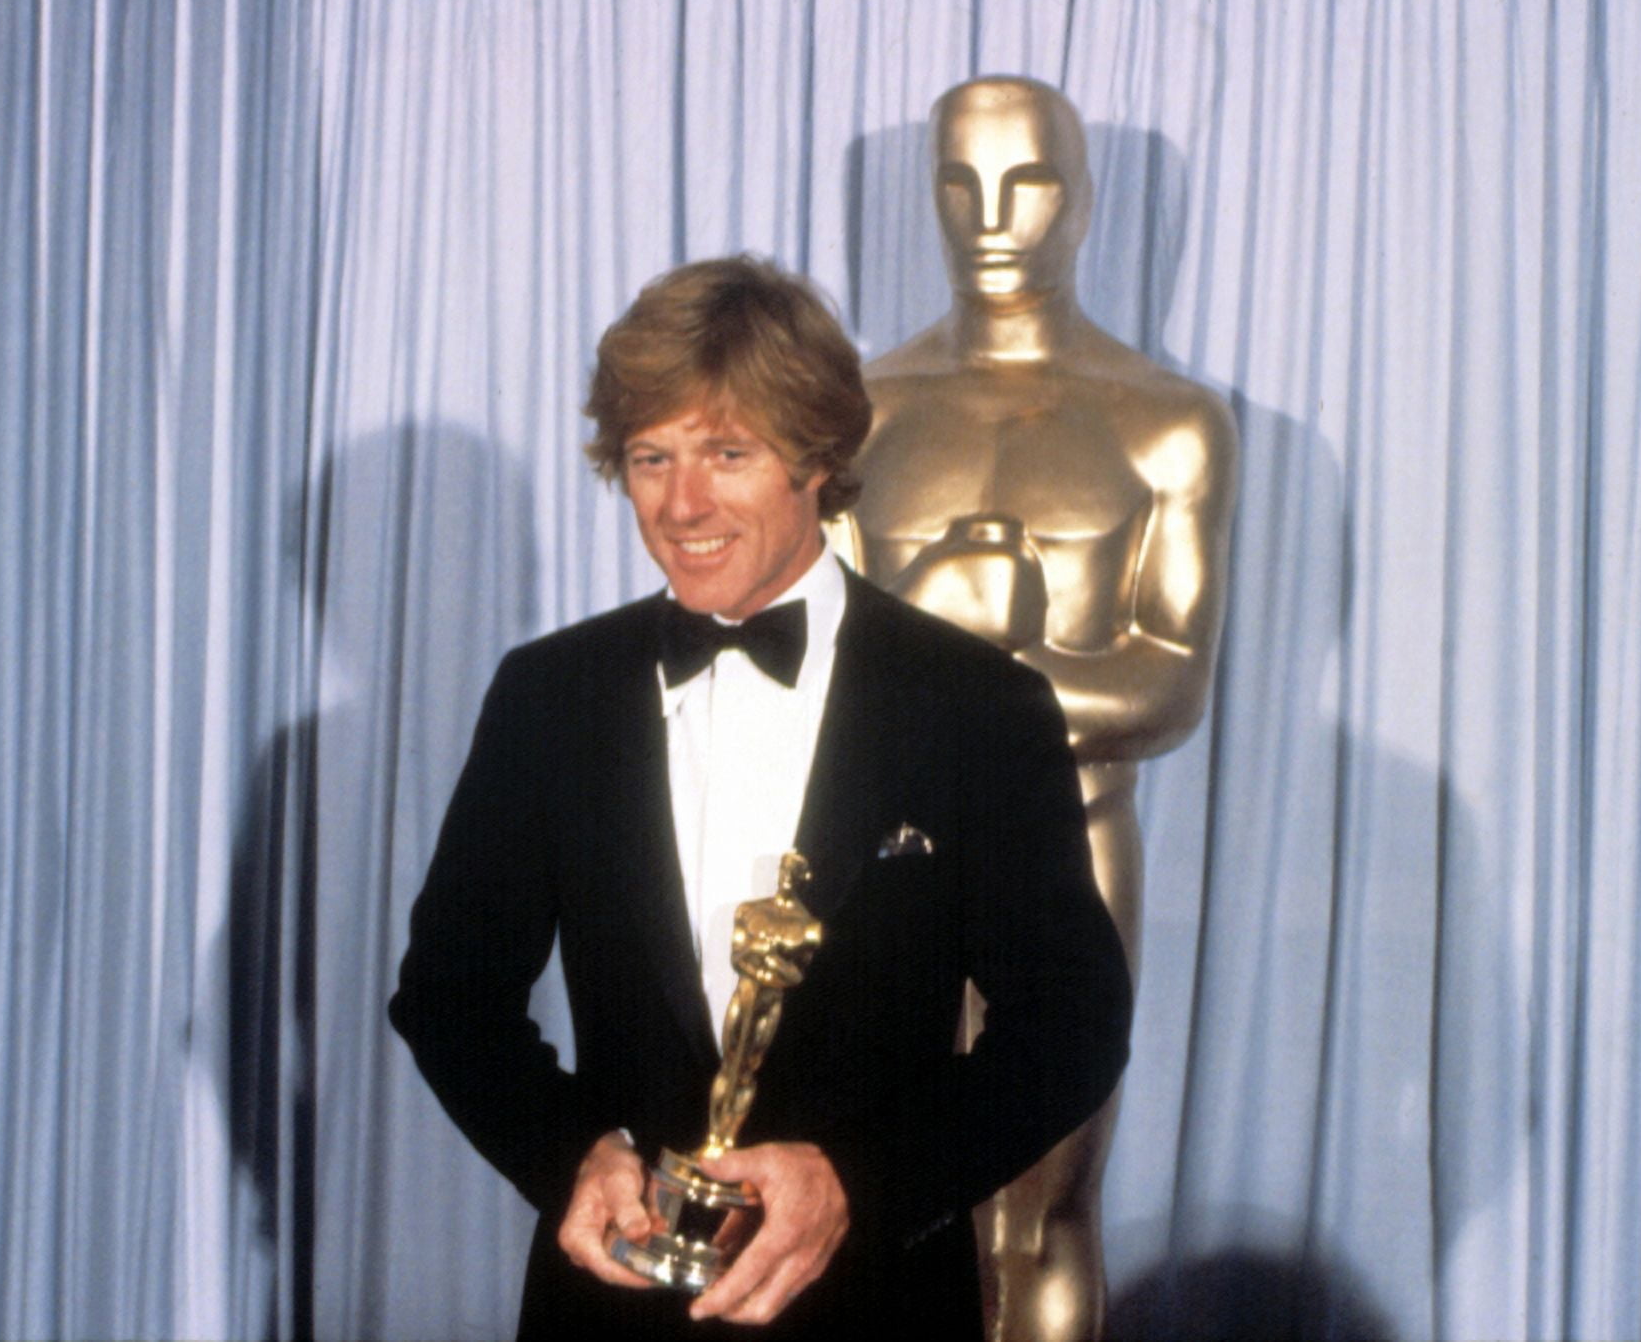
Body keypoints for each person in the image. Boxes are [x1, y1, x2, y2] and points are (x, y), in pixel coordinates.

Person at [390, 255, 1131, 1340]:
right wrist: (570, 1154)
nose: (680, 503)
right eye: (651, 457)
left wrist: (855, 1183)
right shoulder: (550, 693)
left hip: (871, 1305)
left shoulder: (975, 706)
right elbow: (449, 992)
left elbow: (1070, 1025)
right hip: (609, 1313)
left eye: (725, 453)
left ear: (816, 457)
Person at [853, 77, 1237, 1342]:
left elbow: (1169, 686)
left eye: (1028, 181)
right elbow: (829, 675)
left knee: (1042, 1208)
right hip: (884, 857)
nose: (991, 217)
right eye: (960, 183)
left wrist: (962, 653)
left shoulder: (1166, 423)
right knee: (880, 1201)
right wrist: (1004, 662)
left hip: (1069, 850)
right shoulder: (860, 410)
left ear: (1083, 196)